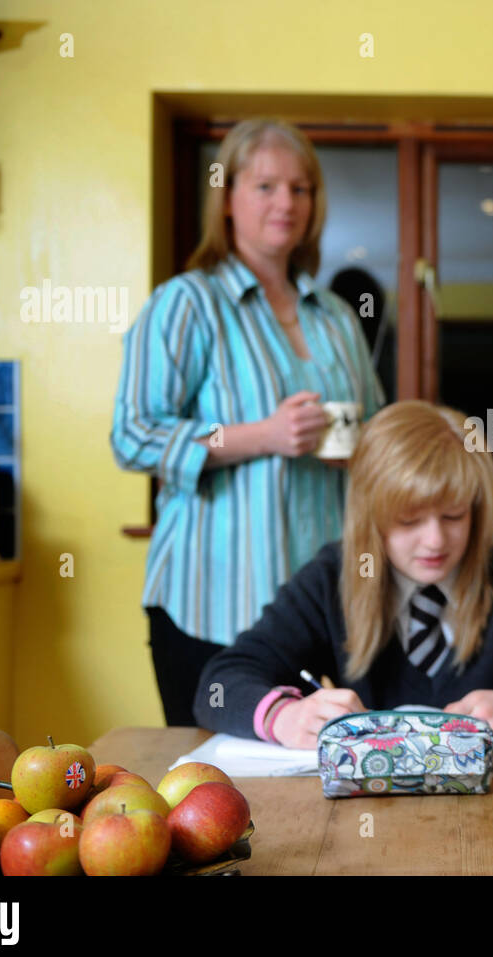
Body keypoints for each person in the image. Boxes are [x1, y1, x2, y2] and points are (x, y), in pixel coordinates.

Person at [111, 118, 384, 726]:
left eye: (300, 188)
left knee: (321, 790)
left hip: (324, 609)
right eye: (265, 186)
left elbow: (377, 434)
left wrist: (358, 448)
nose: (285, 202)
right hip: (213, 603)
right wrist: (263, 435)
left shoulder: (338, 316)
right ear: (227, 198)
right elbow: (132, 433)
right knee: (211, 795)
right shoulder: (187, 303)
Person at [194, 400, 493, 746]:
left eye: (454, 516)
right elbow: (217, 685)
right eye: (409, 521)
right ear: (371, 518)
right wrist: (284, 717)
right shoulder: (334, 573)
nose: (435, 541)